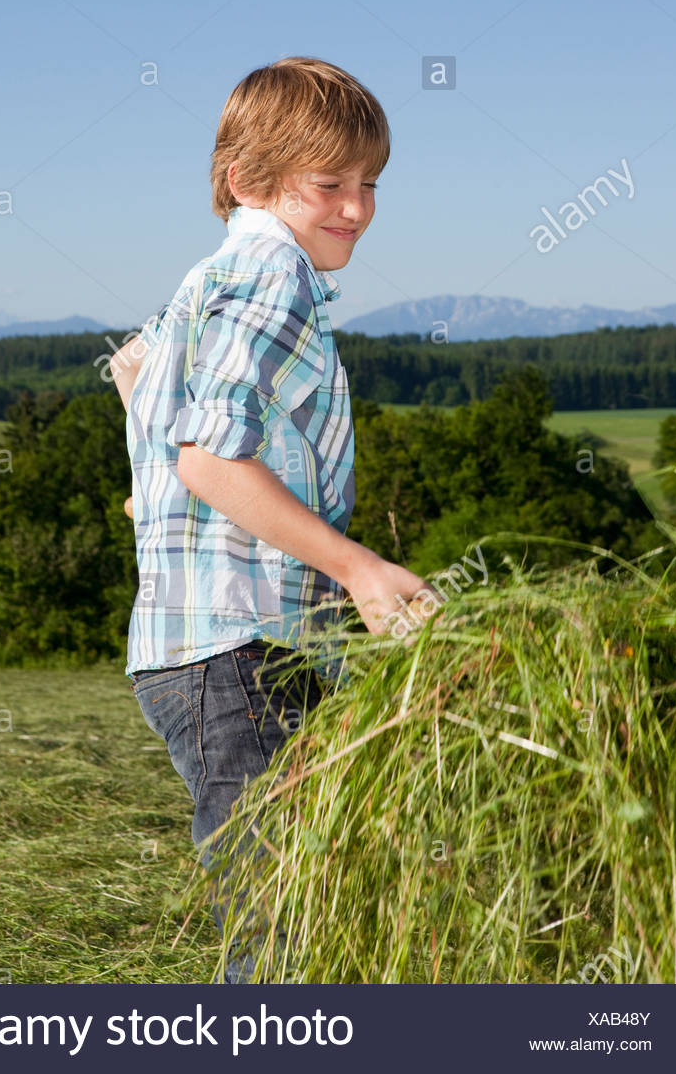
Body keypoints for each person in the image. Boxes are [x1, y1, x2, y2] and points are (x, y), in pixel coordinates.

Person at [110, 55, 439, 982]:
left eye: (370, 183)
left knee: (295, 910)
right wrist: (360, 570)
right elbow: (212, 460)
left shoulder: (201, 286)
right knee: (287, 929)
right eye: (329, 184)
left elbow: (163, 474)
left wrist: (141, 409)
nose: (358, 207)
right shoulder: (271, 273)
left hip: (205, 651)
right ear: (248, 182)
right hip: (246, 651)